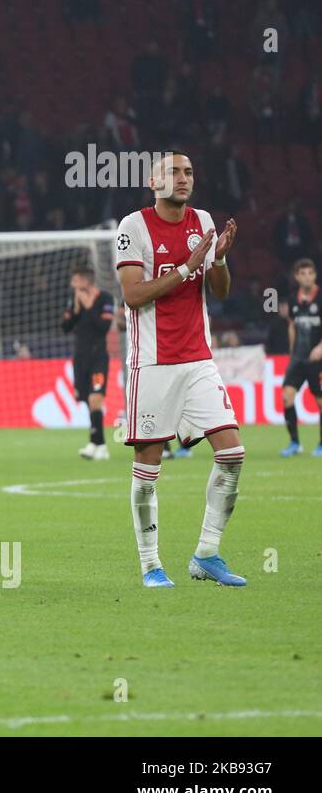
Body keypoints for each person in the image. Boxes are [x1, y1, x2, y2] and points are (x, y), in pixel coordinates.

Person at [116, 152, 245, 589]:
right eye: (174, 171)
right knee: (148, 468)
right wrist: (189, 267)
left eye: (189, 171)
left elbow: (220, 293)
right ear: (153, 181)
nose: (184, 178)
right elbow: (134, 296)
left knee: (232, 455)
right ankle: (151, 564)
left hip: (197, 361)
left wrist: (220, 261)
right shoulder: (132, 227)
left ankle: (206, 553)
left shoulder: (204, 221)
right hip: (152, 364)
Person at [61, 265, 115, 460]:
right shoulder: (74, 300)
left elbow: (104, 327)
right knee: (86, 400)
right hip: (80, 359)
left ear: (85, 280)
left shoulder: (105, 299)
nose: (72, 284)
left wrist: (90, 307)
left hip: (98, 357)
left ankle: (101, 447)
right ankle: (95, 443)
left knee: (95, 398)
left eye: (75, 280)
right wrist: (76, 309)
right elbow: (65, 327)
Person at [280, 258, 322, 456]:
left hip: (318, 359)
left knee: (320, 401)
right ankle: (295, 443)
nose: (307, 277)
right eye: (303, 273)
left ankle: (321, 444)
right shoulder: (292, 298)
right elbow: (292, 325)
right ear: (297, 277)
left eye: (310, 273)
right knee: (287, 397)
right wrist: (292, 353)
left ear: (315, 275)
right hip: (298, 358)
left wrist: (320, 347)